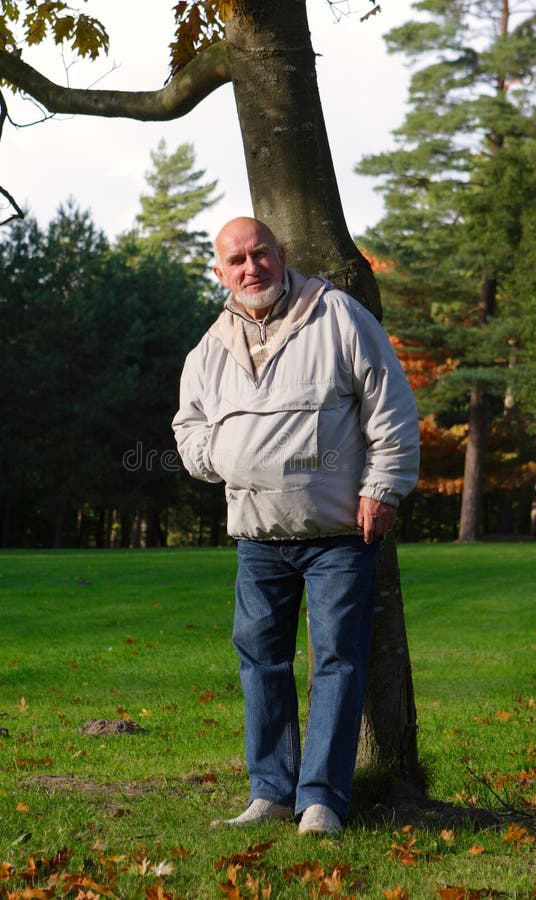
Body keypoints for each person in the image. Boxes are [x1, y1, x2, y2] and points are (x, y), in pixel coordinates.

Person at [172, 217, 419, 836]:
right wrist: (222, 458)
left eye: (260, 254)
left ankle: (322, 803)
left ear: (282, 256)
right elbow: (188, 425)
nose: (250, 267)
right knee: (261, 662)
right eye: (236, 260)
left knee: (336, 661)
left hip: (338, 533)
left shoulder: (336, 315)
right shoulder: (211, 346)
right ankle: (271, 794)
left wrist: (383, 487)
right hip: (257, 536)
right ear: (220, 272)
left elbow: (390, 403)